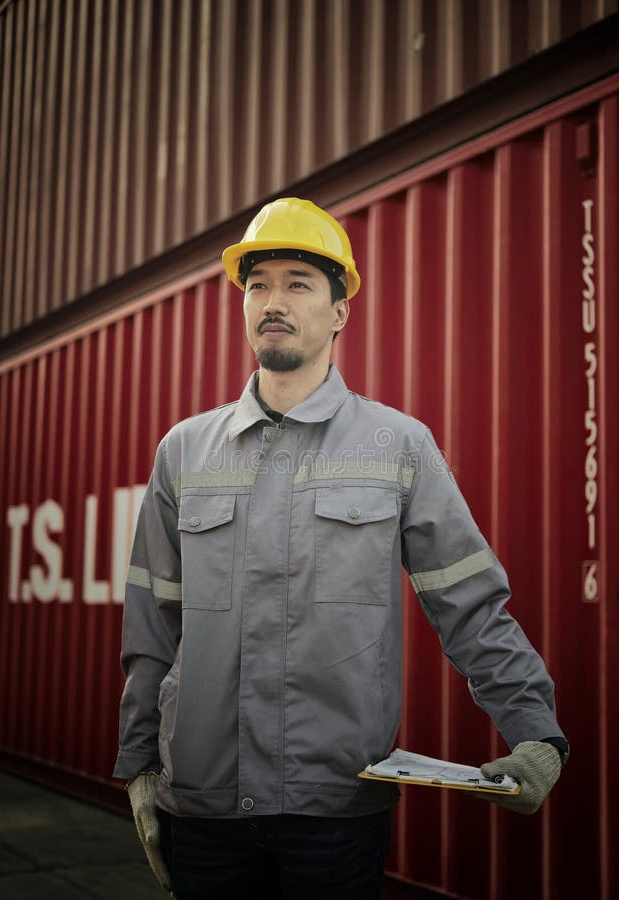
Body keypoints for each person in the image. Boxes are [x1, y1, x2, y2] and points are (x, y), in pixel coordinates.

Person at [114, 197, 569, 899]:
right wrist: (139, 763)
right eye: (258, 284)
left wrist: (537, 732)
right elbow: (153, 622)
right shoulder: (184, 451)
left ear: (338, 312)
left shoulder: (399, 446)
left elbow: (470, 605)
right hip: (202, 807)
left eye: (298, 283)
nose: (274, 301)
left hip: (335, 810)